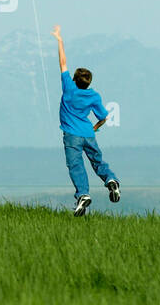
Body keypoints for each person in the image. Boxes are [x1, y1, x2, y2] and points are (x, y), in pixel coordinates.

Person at [51, 25, 120, 216]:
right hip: (88, 133)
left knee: (76, 165)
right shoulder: (94, 96)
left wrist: (59, 39)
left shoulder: (69, 89)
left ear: (74, 79)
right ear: (89, 82)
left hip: (72, 135)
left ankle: (83, 195)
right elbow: (104, 117)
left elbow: (62, 62)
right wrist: (95, 128)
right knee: (97, 161)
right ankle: (111, 181)